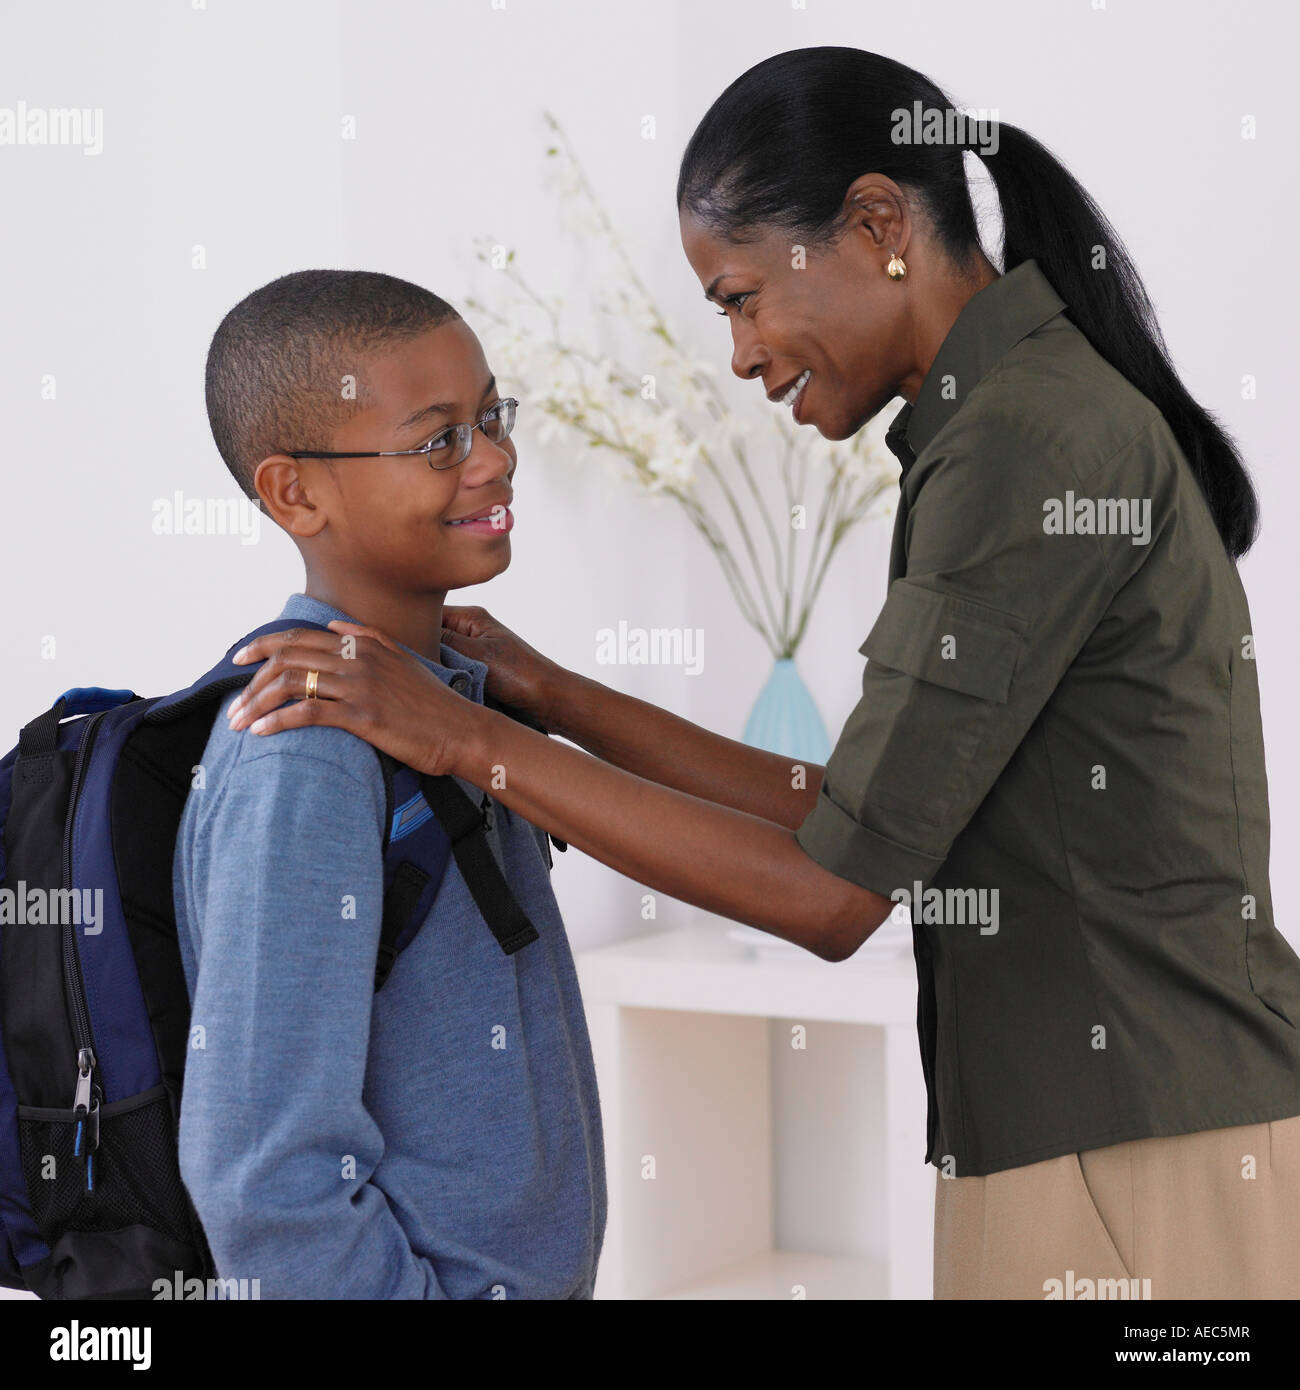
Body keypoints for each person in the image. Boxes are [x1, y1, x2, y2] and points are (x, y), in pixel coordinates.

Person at [228, 49, 1300, 1300]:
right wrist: (557, 695)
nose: (738, 354)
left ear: (878, 225)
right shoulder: (1010, 417)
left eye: (740, 298)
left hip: (1133, 1146)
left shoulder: (1023, 440)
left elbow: (831, 897)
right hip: (1111, 1130)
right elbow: (847, 809)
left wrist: (476, 745)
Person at [174, 269, 606, 1298]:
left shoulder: (447, 700)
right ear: (295, 491)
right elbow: (262, 1178)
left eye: (492, 417)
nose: (495, 461)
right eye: (439, 439)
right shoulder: (307, 746)